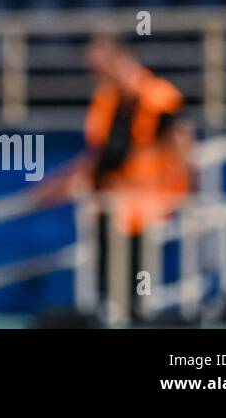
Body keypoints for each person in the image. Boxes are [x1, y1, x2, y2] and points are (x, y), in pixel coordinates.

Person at [40, 35, 192, 322]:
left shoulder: (159, 97)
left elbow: (181, 150)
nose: (96, 75)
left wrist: (173, 196)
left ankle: (137, 314)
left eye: (101, 66)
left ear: (120, 59)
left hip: (147, 205)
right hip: (111, 203)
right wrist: (55, 186)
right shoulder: (106, 101)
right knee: (108, 285)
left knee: (138, 287)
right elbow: (98, 156)